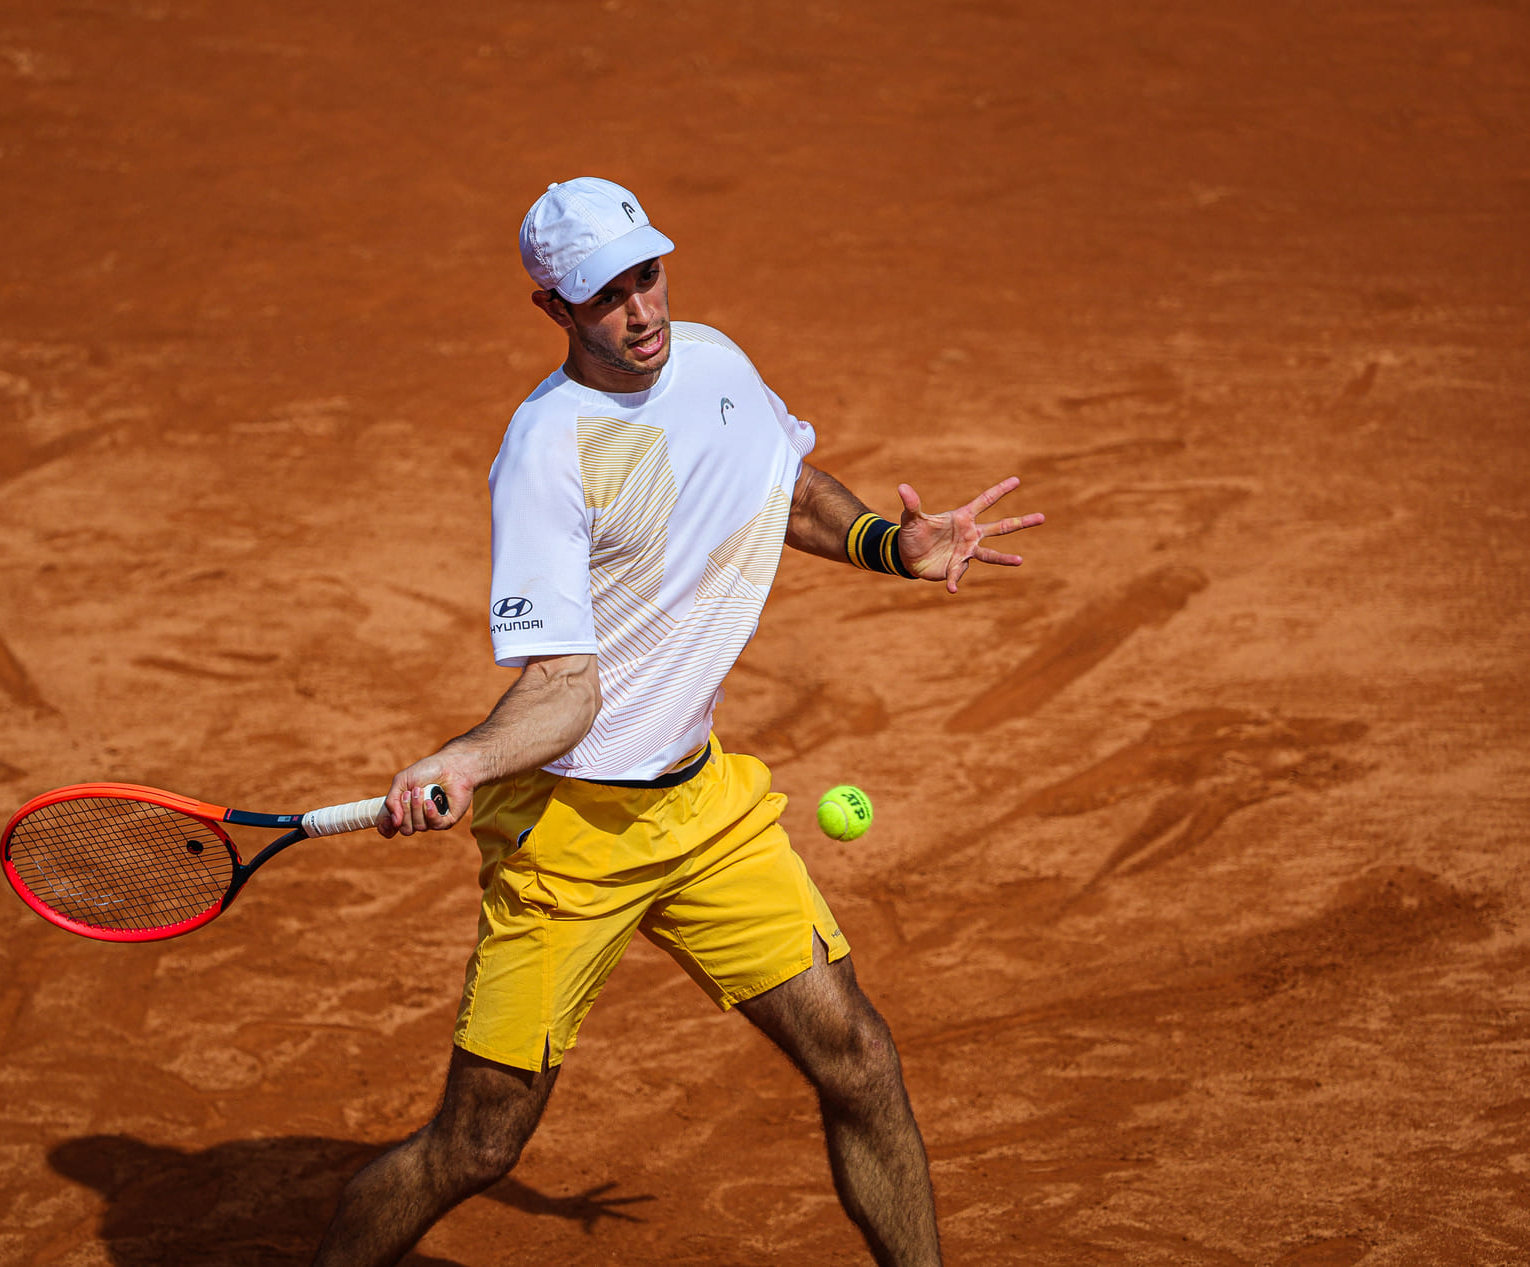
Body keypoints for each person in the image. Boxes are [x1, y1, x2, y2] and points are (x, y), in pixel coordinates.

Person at [311, 177, 1043, 1267]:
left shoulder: (712, 362)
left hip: (703, 806)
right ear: (553, 311)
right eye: (605, 295)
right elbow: (566, 689)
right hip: (569, 835)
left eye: (647, 276)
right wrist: (465, 759)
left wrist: (897, 545)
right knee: (477, 1143)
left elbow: (785, 490)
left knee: (858, 1059)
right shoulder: (547, 454)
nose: (640, 311)